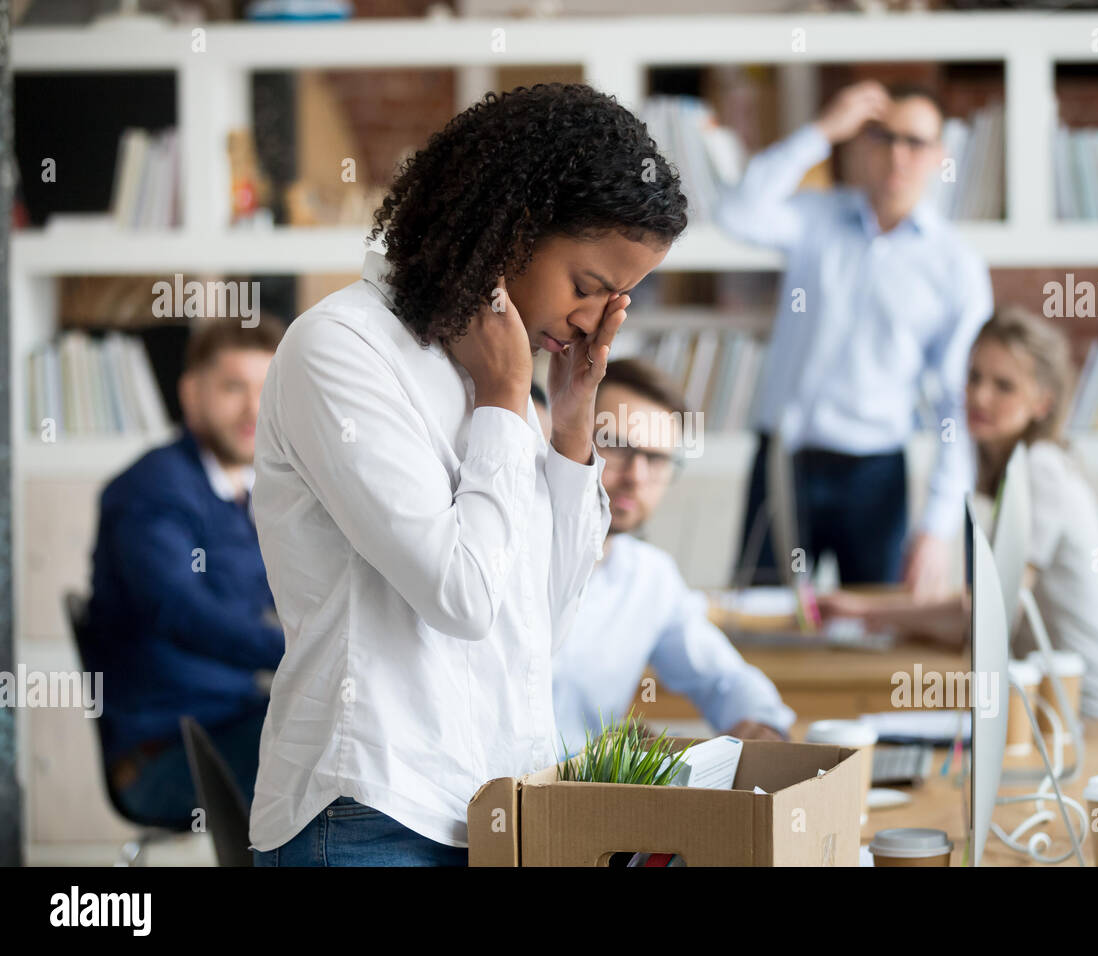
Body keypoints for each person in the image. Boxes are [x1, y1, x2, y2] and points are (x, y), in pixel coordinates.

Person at [248, 83, 688, 867]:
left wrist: (572, 418)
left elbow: (538, 625)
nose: (593, 320)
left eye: (618, 299)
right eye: (587, 287)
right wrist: (501, 399)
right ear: (508, 230)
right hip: (371, 814)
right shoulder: (343, 351)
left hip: (488, 812)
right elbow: (461, 597)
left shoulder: (500, 373)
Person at [716, 80, 993, 595]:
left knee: (877, 640)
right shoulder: (815, 218)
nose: (897, 155)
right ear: (863, 145)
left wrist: (937, 525)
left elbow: (959, 402)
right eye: (883, 138)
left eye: (914, 142)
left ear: (940, 155)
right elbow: (736, 211)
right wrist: (822, 130)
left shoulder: (955, 267)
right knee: (760, 622)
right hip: (783, 462)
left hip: (875, 476)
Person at [822, 306, 1098, 722]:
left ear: (1042, 403)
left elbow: (988, 614)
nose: (978, 396)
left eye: (1003, 386)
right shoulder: (1008, 470)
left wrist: (865, 612)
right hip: (1048, 710)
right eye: (973, 377)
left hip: (1090, 718)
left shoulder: (1041, 470)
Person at [84, 317, 286, 826]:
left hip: (231, 720)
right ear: (191, 395)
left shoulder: (244, 489)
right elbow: (179, 609)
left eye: (267, 389)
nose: (253, 410)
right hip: (167, 753)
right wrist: (298, 651)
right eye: (233, 388)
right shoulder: (153, 489)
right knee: (340, 743)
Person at [551, 360, 795, 753]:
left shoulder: (649, 576)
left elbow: (720, 678)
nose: (637, 476)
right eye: (617, 445)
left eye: (657, 459)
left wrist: (763, 723)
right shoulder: (508, 546)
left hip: (578, 800)